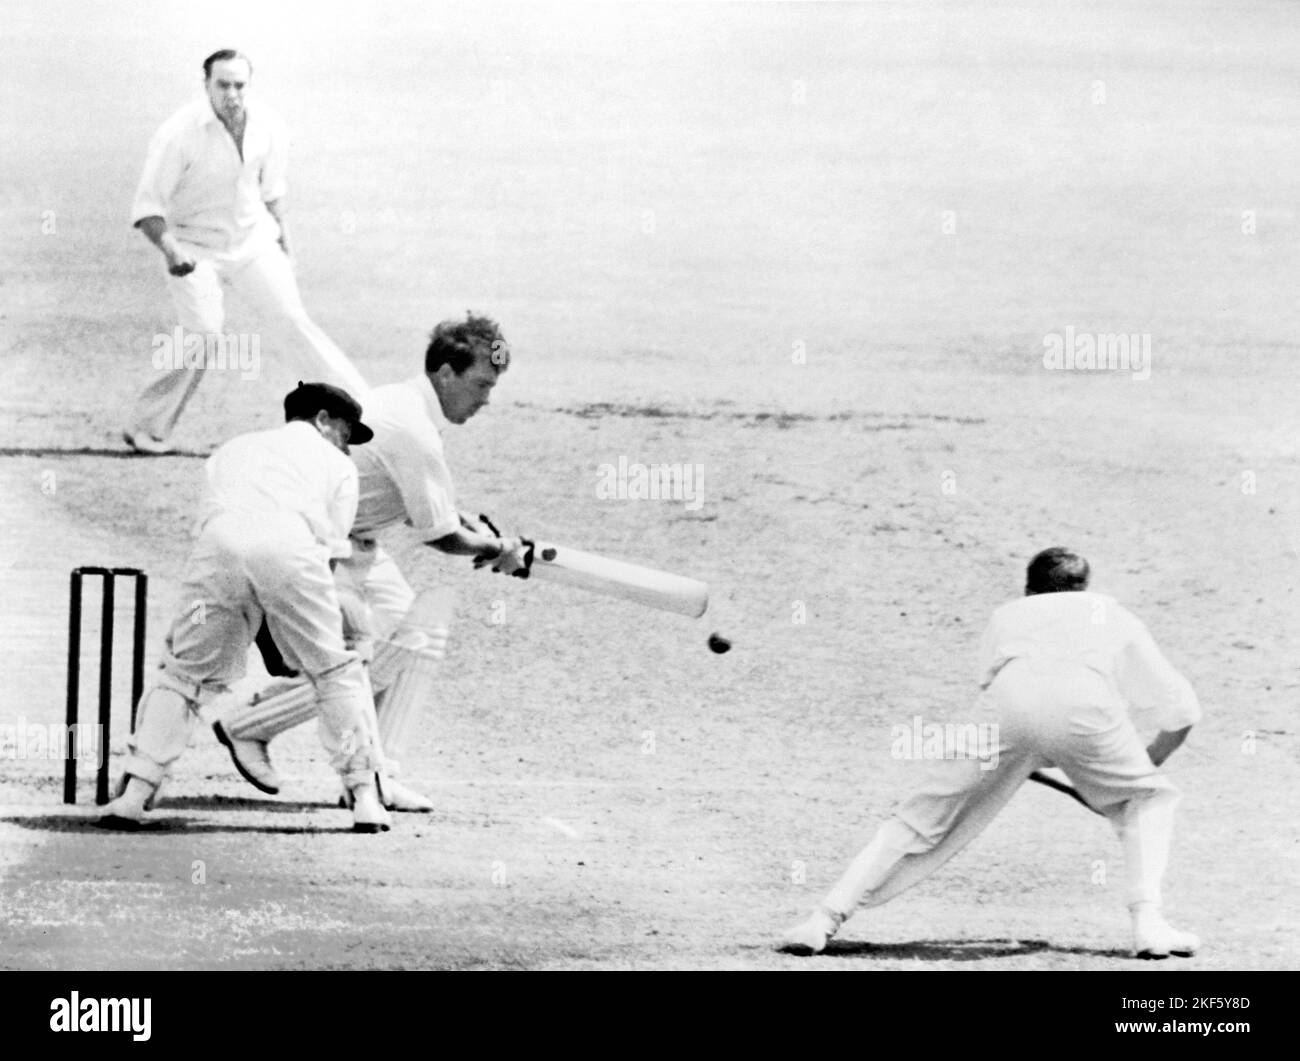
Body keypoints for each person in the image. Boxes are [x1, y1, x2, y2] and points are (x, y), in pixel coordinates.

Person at [780, 547, 1203, 959]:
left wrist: (1023, 758)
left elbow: (1012, 700)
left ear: (1029, 590)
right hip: (1087, 709)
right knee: (1150, 800)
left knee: (918, 818)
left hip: (1006, 707)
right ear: (1085, 587)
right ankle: (1148, 925)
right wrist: (1140, 773)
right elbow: (1181, 712)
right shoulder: (1113, 614)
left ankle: (822, 920)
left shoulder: (1009, 615)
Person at [210, 313, 532, 811]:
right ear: (445, 373)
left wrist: (476, 532)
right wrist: (497, 549)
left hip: (356, 545)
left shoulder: (403, 403)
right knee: (369, 659)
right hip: (317, 550)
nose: (486, 398)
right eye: (480, 384)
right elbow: (443, 537)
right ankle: (246, 727)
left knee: (417, 639)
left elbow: (405, 499)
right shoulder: (415, 429)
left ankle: (383, 773)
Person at [99, 382, 393, 833]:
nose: (347, 445)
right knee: (334, 670)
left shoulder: (233, 449)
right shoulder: (338, 466)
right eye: (346, 432)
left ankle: (135, 794)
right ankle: (365, 798)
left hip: (217, 549)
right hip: (292, 550)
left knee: (184, 674)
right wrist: (288, 638)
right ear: (322, 419)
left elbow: (231, 533)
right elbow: (327, 559)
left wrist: (263, 628)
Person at [124, 49, 369, 454]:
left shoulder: (269, 126)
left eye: (239, 85)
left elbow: (271, 192)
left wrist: (285, 245)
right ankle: (146, 426)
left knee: (292, 319)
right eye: (223, 85)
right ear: (206, 86)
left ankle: (363, 411)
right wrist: (171, 251)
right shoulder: (178, 134)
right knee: (203, 334)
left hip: (253, 243)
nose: (232, 94)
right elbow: (147, 207)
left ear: (249, 86)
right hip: (194, 247)